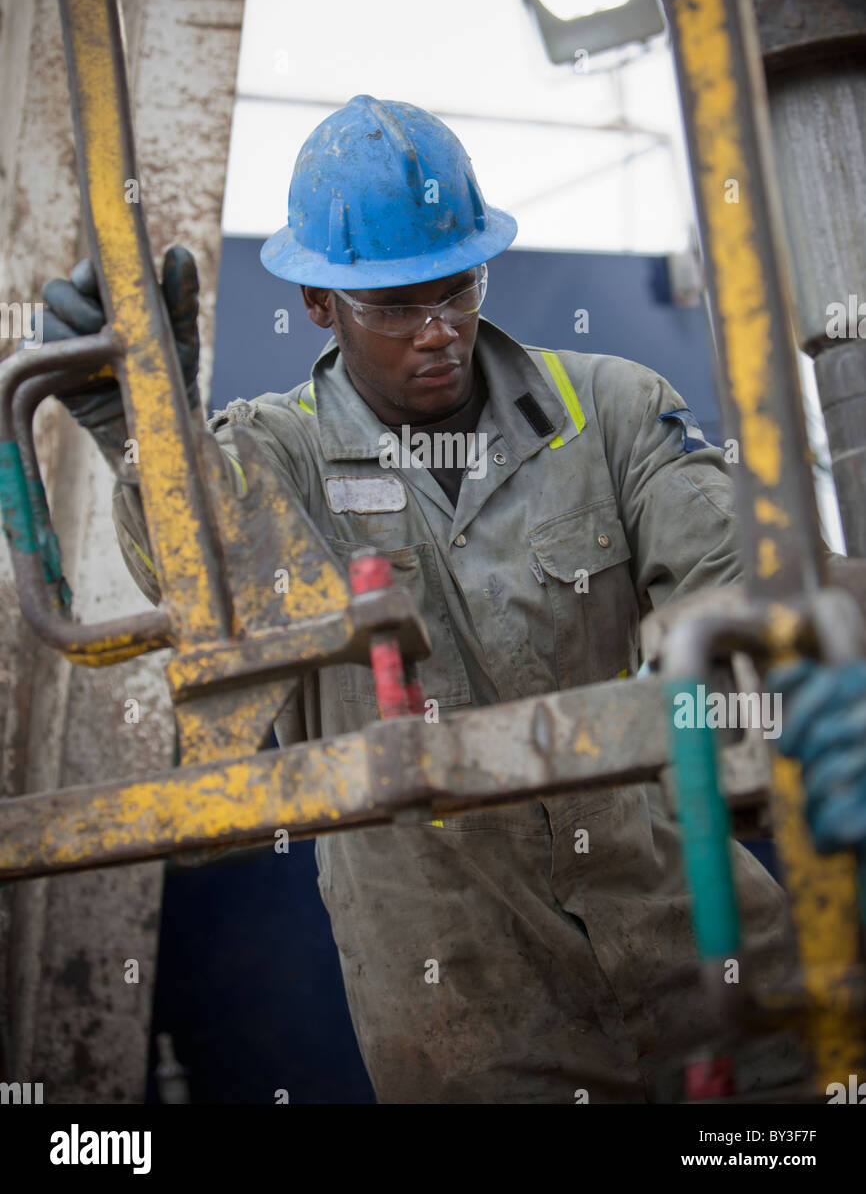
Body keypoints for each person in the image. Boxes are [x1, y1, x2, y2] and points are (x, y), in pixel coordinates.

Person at [41, 94, 825, 1104]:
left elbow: (737, 609)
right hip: (467, 1008)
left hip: (703, 953)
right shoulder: (263, 461)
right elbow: (208, 587)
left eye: (455, 291)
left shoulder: (612, 409)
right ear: (319, 303)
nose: (437, 332)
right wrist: (145, 433)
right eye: (395, 307)